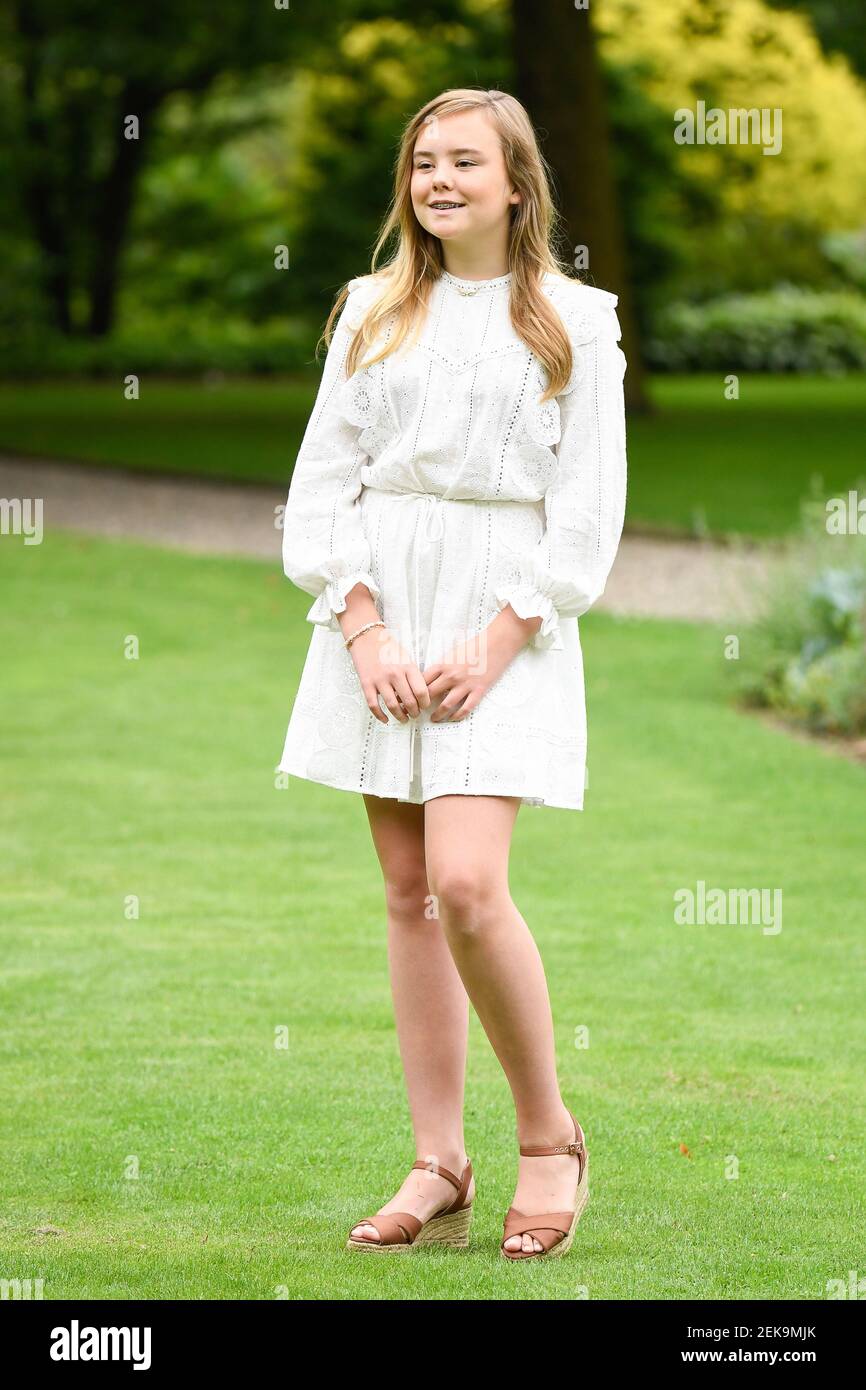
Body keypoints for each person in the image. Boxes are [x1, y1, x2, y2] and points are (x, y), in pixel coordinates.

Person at [277, 87, 627, 1260]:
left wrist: (493, 641)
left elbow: (582, 517)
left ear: (515, 185)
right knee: (407, 891)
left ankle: (547, 1137)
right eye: (422, 161)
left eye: (463, 161)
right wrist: (364, 627)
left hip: (502, 621)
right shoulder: (370, 309)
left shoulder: (575, 320)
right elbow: (323, 485)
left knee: (467, 882)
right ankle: (438, 1160)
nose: (437, 179)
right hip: (377, 610)